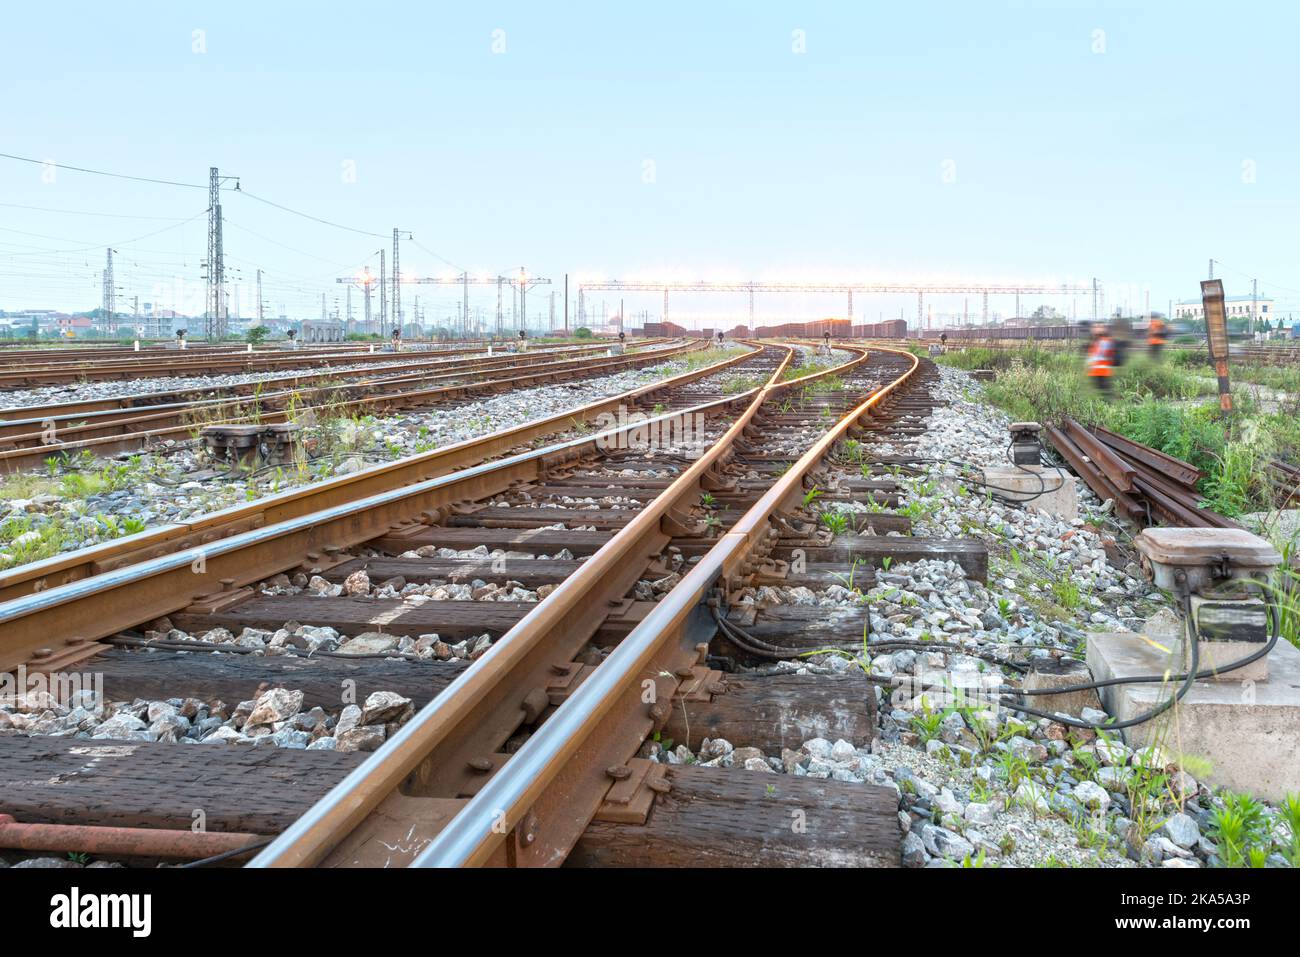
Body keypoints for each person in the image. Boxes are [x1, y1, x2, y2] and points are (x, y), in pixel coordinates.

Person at [1086, 323, 1116, 395]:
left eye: (1096, 328)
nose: (1093, 330)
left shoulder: (1104, 341)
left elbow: (1100, 354)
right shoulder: (1098, 341)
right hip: (1098, 370)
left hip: (1101, 370)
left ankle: (1108, 403)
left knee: (1104, 390)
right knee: (1101, 390)